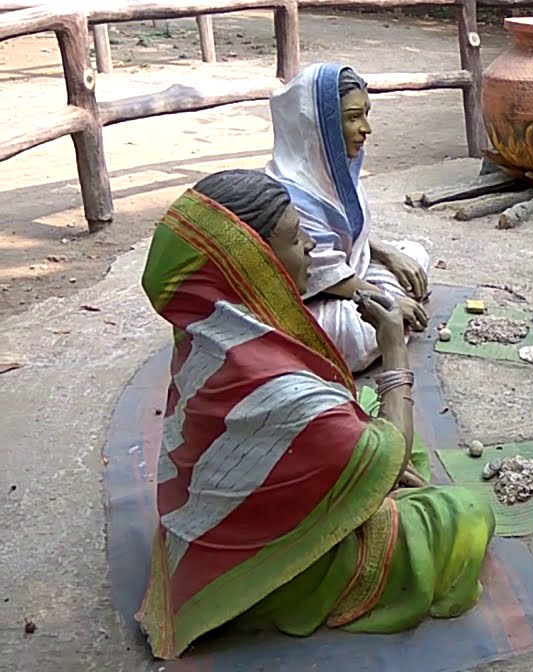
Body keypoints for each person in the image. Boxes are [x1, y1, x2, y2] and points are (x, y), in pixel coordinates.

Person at [136, 169, 495, 660]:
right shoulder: (285, 393)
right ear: (253, 264)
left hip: (209, 519)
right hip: (265, 562)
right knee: (465, 512)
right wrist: (394, 350)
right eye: (294, 238)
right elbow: (381, 449)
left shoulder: (214, 325)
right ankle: (285, 582)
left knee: (363, 413)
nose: (310, 248)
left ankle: (351, 476)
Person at [267, 62, 432, 372]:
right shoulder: (290, 193)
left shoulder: (334, 170)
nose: (366, 129)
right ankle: (391, 326)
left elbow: (349, 241)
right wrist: (385, 300)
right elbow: (318, 273)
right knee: (355, 334)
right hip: (308, 298)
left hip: (348, 276)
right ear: (321, 125)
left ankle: (394, 319)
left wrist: (389, 254)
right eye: (353, 117)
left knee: (414, 255)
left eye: (366, 114)